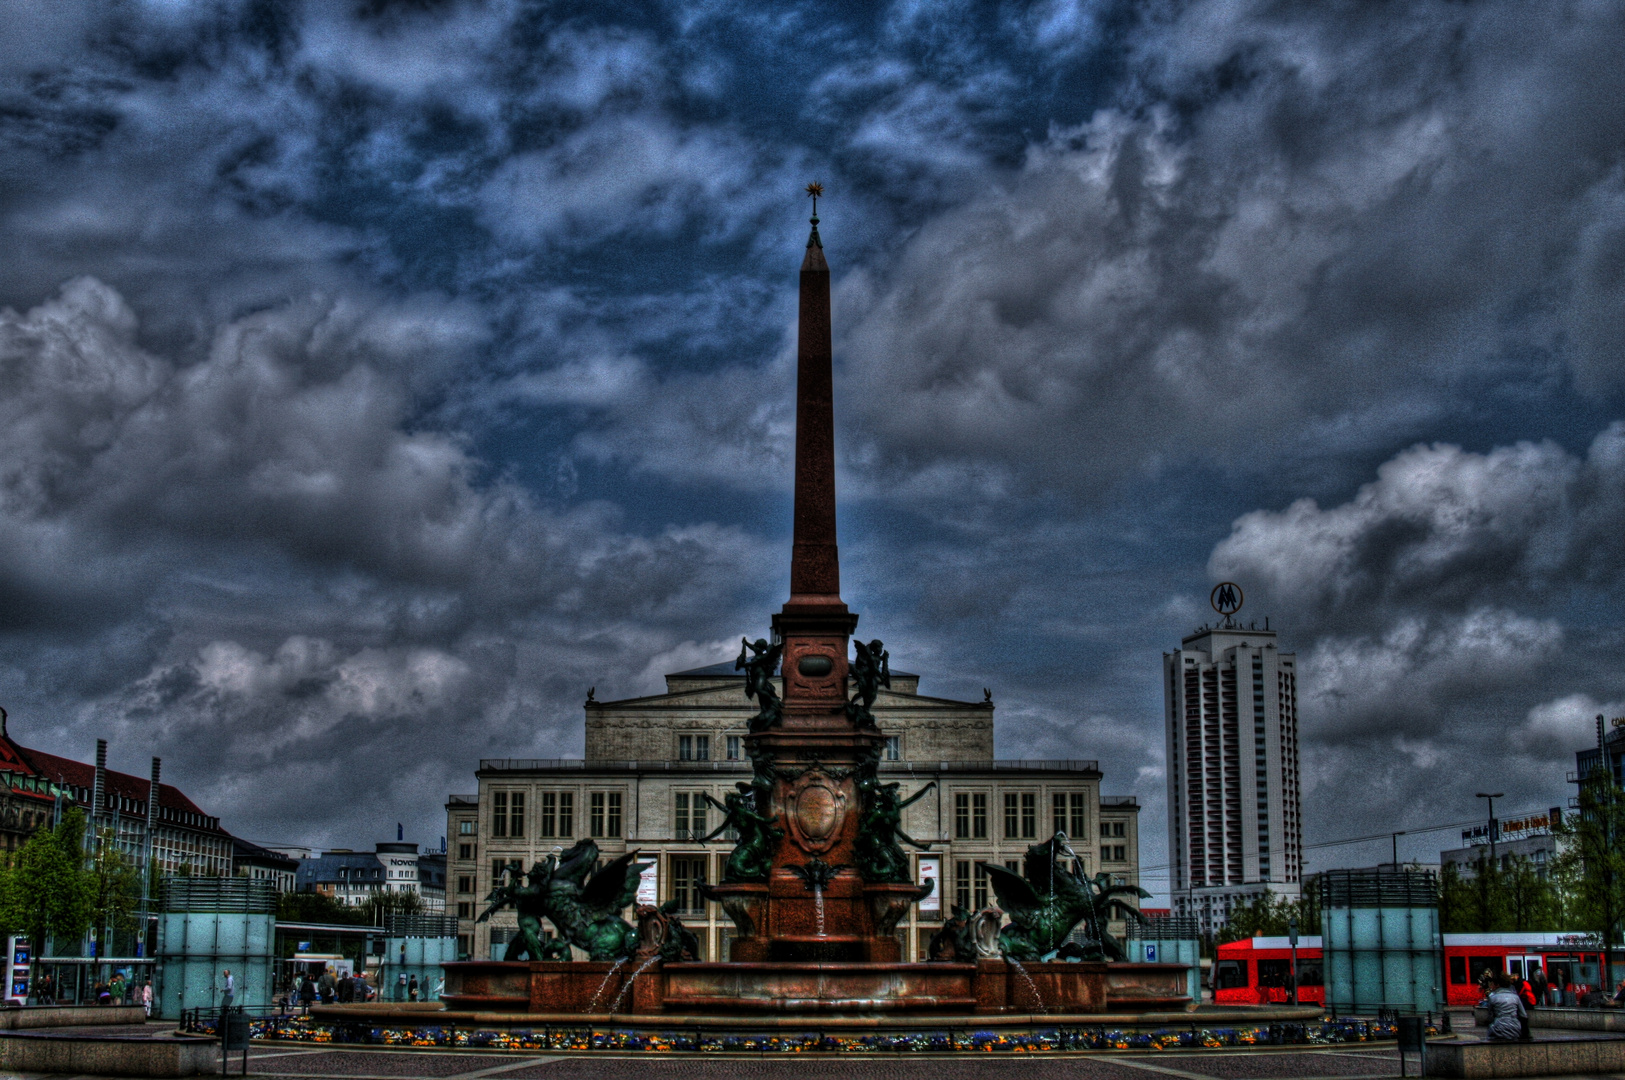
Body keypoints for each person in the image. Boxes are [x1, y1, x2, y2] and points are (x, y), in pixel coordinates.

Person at [1486, 972, 1530, 1042]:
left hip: (1498, 1028)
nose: (1491, 986)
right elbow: (1524, 1015)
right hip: (1515, 1028)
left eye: (1492, 984)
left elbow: (1490, 1016)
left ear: (1497, 985)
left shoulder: (1492, 997)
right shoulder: (1515, 997)